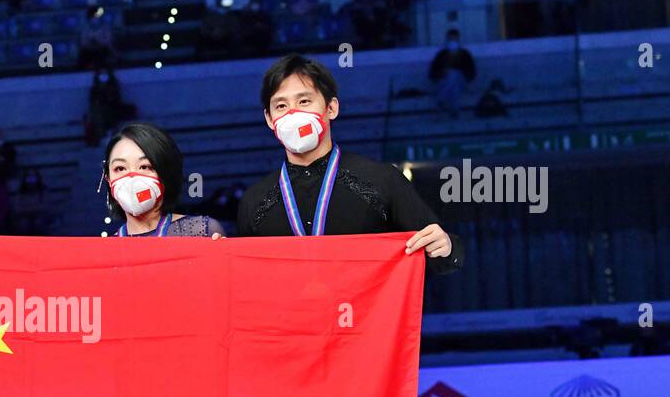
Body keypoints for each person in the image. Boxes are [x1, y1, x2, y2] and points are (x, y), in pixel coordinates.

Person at [237, 54, 462, 274]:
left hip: (366, 312)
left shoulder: (382, 180)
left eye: (304, 101)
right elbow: (242, 281)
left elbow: (441, 257)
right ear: (269, 119)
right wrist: (219, 252)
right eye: (281, 106)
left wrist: (445, 246)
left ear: (331, 108)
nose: (293, 114)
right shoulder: (254, 200)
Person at [99, 122, 225, 238]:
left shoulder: (202, 231)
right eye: (120, 168)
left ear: (165, 172)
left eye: (144, 167)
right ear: (108, 179)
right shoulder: (106, 250)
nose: (132, 179)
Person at [428, 29, 477, 117]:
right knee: (454, 86)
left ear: (458, 39)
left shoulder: (465, 54)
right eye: (451, 39)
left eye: (454, 39)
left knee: (454, 75)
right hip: (444, 81)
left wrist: (460, 72)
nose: (452, 41)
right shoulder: (441, 55)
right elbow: (433, 73)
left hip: (461, 80)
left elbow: (471, 72)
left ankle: (442, 99)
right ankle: (455, 110)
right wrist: (442, 73)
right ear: (447, 39)